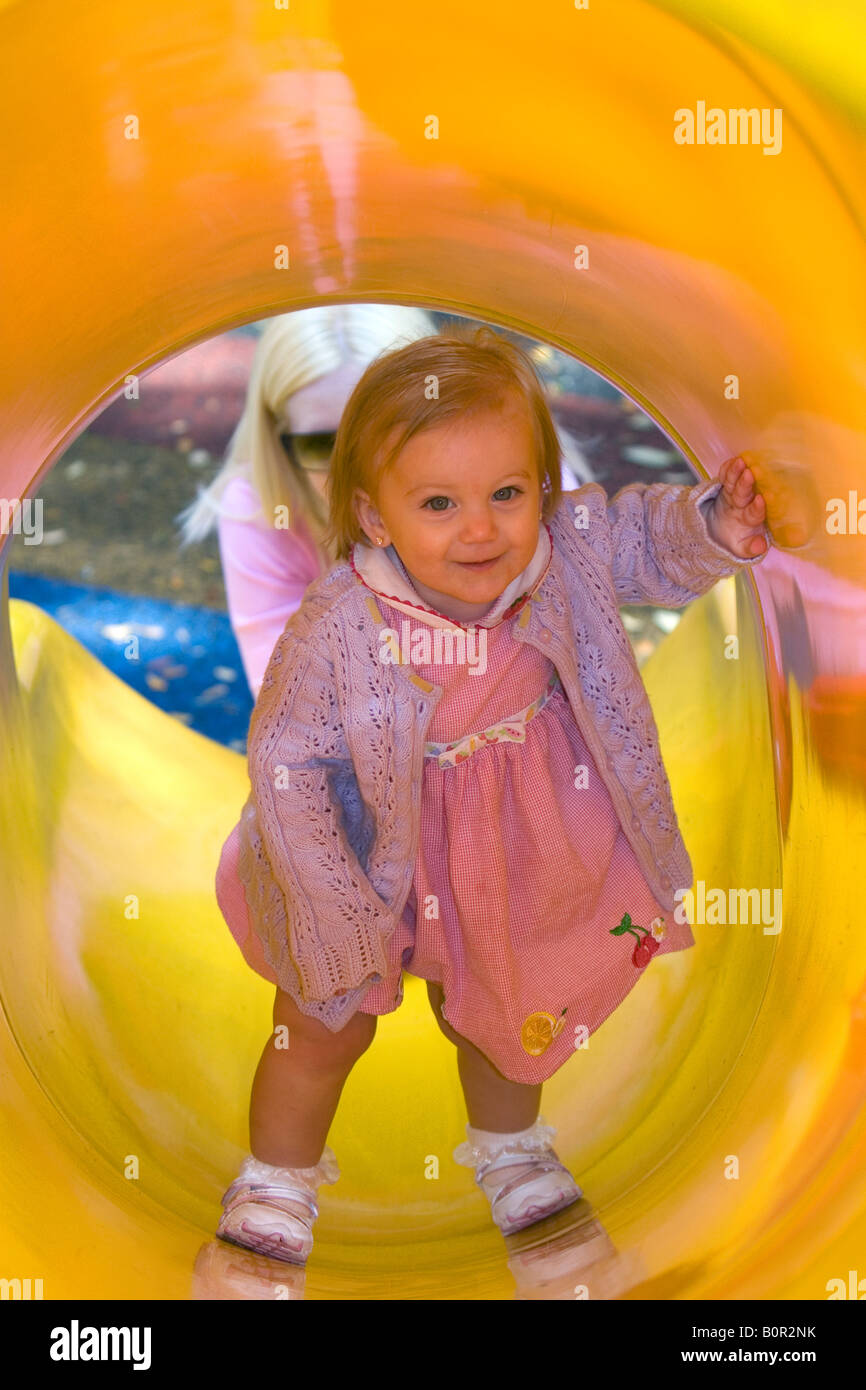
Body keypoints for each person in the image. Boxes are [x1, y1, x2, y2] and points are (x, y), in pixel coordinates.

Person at [213, 325, 770, 1264]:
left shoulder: (562, 553)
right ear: (375, 515)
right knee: (319, 1025)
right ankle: (276, 1179)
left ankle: (512, 1154)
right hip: (362, 845)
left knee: (514, 1002)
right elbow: (287, 763)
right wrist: (329, 901)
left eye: (507, 494)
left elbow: (639, 535)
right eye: (438, 503)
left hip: (512, 836)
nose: (481, 529)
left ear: (542, 492)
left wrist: (715, 526)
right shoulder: (340, 625)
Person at [177, 306, 590, 699]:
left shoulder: (521, 478)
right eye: (324, 445)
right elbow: (286, 695)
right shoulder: (262, 508)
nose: (359, 473)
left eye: (390, 437)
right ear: (278, 436)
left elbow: (571, 652)